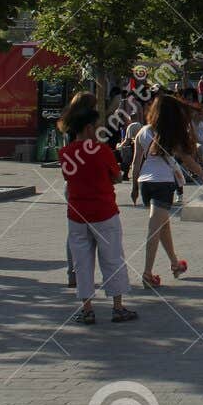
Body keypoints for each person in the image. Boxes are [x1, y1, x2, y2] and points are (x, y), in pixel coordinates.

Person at [59, 93, 136, 324]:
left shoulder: (66, 153)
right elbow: (116, 177)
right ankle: (118, 307)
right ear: (91, 127)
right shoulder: (101, 151)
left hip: (77, 214)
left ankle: (87, 309)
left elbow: (68, 177)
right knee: (112, 259)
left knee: (82, 264)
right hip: (104, 212)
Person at [128, 95, 202, 290]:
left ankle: (175, 263)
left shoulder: (142, 132)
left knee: (162, 226)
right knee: (154, 229)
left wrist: (134, 187)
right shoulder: (170, 134)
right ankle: (147, 273)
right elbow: (187, 159)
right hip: (163, 183)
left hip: (145, 183)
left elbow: (136, 163)